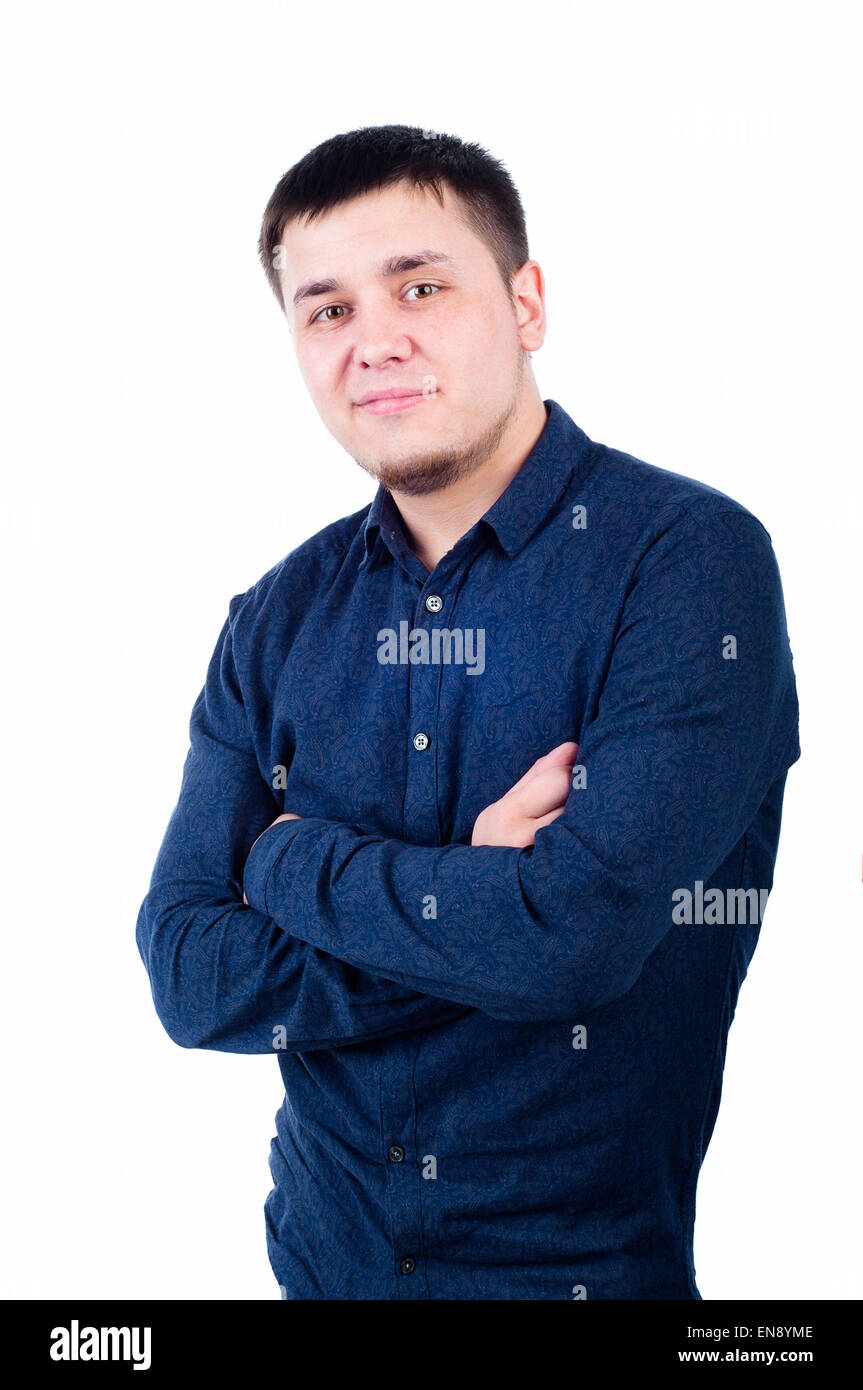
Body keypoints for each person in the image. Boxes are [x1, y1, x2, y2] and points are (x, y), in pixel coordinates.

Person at [136, 124, 801, 1300]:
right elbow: (190, 976)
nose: (373, 340)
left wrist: (292, 864)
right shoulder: (272, 619)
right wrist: (470, 892)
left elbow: (573, 941)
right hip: (320, 1270)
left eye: (422, 286)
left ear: (526, 302)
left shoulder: (685, 563)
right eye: (325, 309)